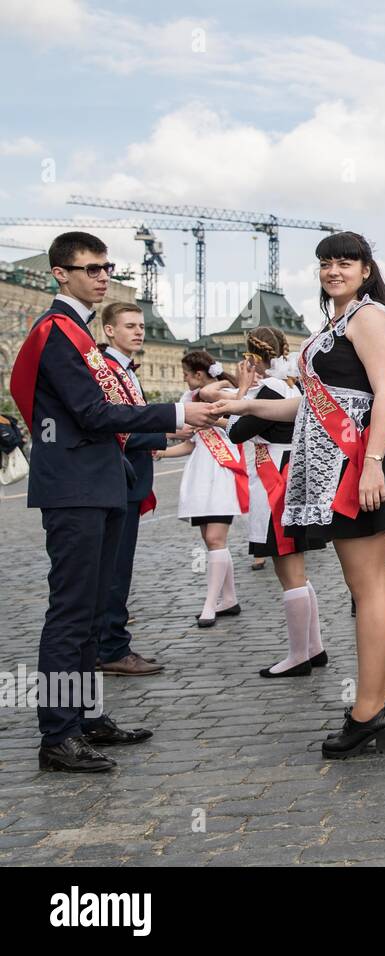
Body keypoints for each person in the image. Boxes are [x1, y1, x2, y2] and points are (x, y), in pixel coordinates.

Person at [10, 231, 216, 772]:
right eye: (91, 267)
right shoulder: (57, 333)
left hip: (97, 484)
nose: (103, 276)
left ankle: (86, 718)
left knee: (93, 611)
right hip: (74, 488)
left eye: (107, 267)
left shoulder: (76, 332)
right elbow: (93, 415)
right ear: (61, 273)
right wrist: (176, 414)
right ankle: (58, 735)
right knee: (71, 613)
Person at [214, 231, 385, 757]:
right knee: (360, 583)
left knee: (368, 583)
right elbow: (308, 408)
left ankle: (371, 711)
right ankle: (374, 708)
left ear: (366, 269)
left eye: (345, 262)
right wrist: (246, 407)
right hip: (342, 460)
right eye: (325, 262)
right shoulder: (335, 324)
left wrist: (370, 466)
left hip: (357, 460)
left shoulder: (368, 317)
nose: (333, 270)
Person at [225, 326, 328, 678]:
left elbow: (236, 432)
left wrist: (240, 391)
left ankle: (298, 656)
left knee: (289, 570)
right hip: (287, 473)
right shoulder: (288, 385)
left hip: (276, 481)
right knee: (296, 570)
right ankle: (313, 648)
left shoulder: (267, 390)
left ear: (252, 359)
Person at [96, 302, 182, 676]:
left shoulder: (125, 370)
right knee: (114, 571)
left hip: (130, 479)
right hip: (120, 481)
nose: (139, 331)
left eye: (141, 325)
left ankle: (112, 642)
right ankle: (110, 647)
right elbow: (119, 427)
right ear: (109, 331)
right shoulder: (109, 371)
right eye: (129, 325)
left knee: (119, 570)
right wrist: (168, 431)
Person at [154, 349, 246, 627]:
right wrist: (160, 453)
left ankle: (210, 604)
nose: (183, 380)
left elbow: (229, 412)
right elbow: (190, 443)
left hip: (222, 472)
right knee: (210, 539)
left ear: (198, 374)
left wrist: (222, 384)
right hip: (200, 473)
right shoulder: (187, 400)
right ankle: (228, 599)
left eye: (185, 374)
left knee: (216, 538)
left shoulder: (227, 394)